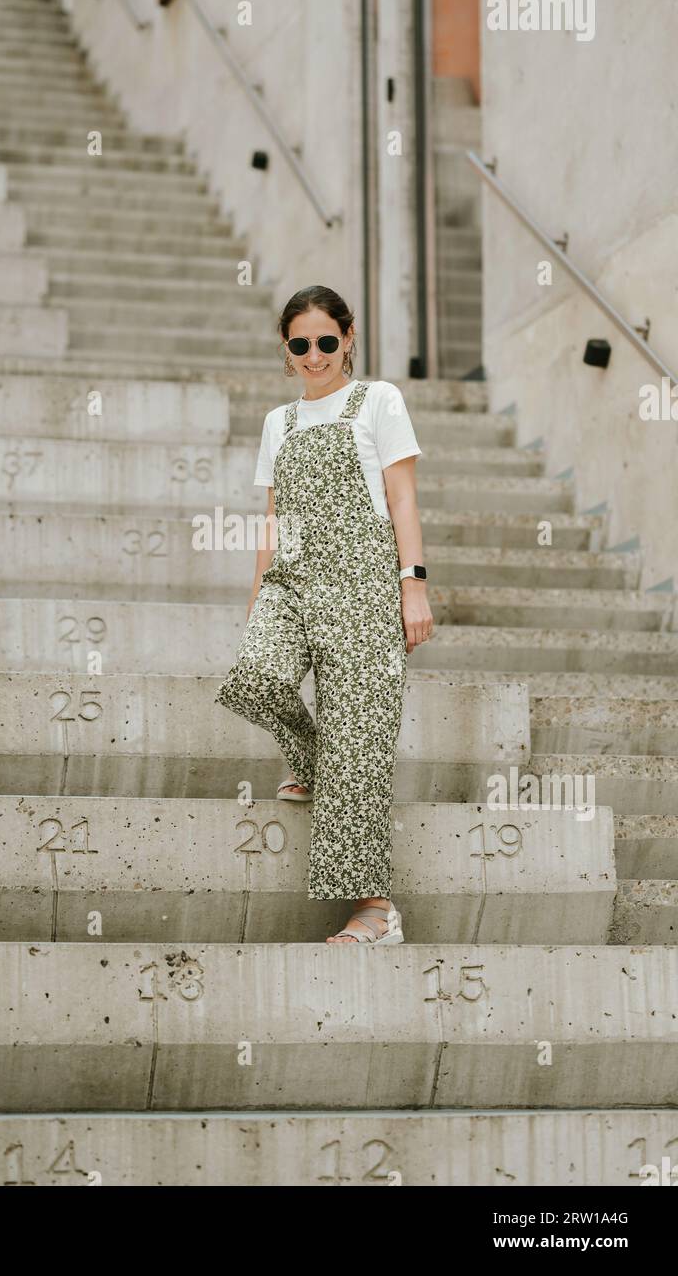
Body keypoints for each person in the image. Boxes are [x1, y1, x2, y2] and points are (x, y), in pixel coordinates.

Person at [215, 284, 433, 944]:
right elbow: (275, 516)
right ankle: (312, 762)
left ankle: (374, 910)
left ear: (349, 336)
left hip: (365, 587)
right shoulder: (278, 422)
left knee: (359, 749)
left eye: (326, 342)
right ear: (287, 347)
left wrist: (413, 584)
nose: (315, 356)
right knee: (256, 678)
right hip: (293, 579)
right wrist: (259, 596)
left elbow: (402, 500)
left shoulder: (379, 401)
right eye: (300, 345)